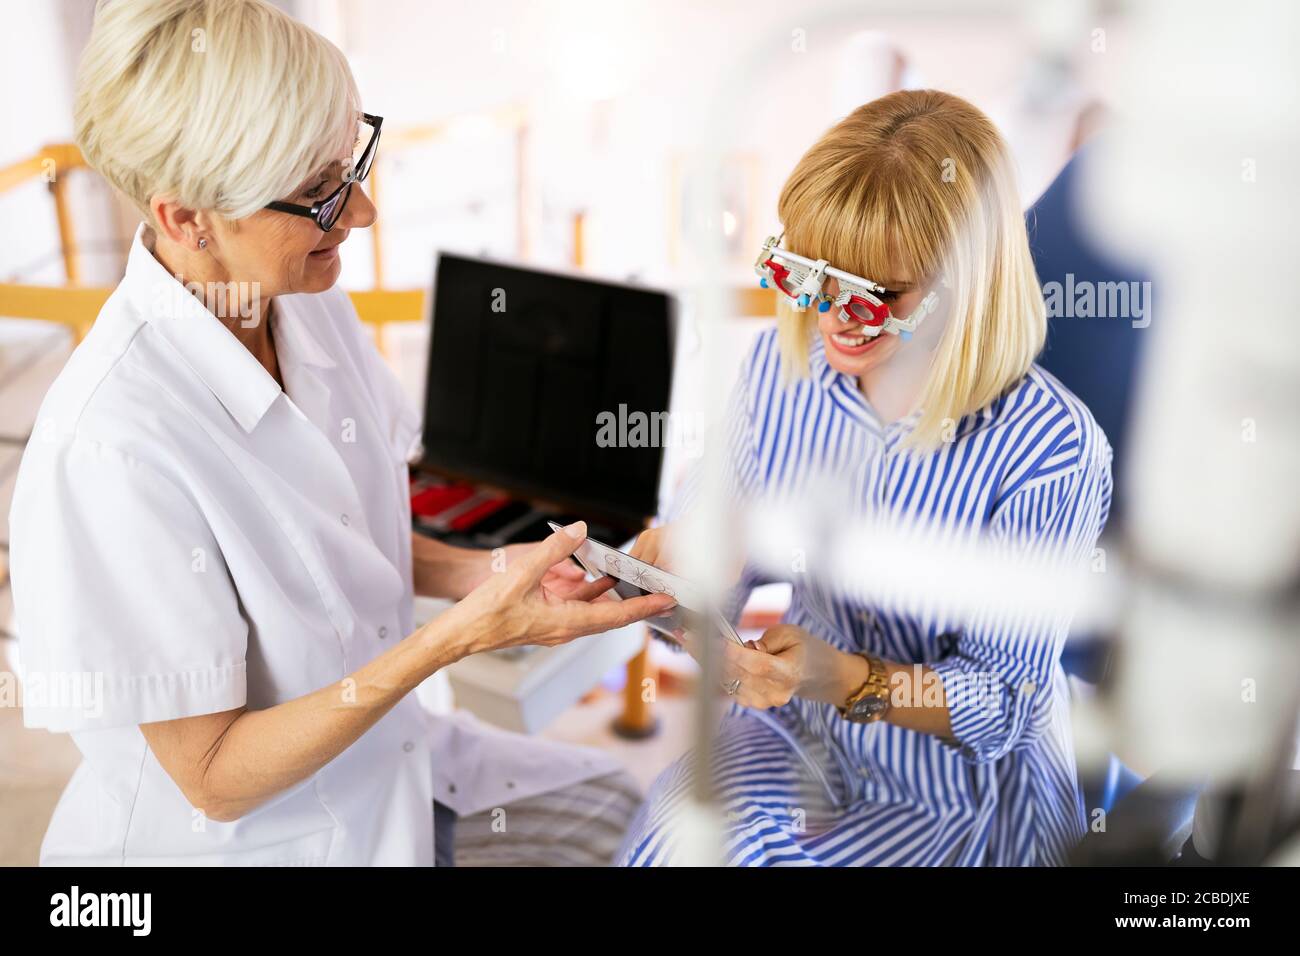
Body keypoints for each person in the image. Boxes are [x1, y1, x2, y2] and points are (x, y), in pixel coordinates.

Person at [9, 0, 672, 866]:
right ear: (186, 219)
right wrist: (458, 636)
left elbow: (345, 536)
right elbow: (213, 776)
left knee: (626, 812)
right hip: (253, 839)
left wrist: (498, 572)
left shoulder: (302, 301)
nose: (361, 212)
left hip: (390, 772)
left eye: (351, 164)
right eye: (320, 194)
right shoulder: (109, 446)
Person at [619, 89, 1114, 866]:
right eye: (811, 276)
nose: (833, 317)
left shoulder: (1051, 451)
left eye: (878, 294)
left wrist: (843, 678)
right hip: (800, 733)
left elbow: (998, 709)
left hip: (961, 789)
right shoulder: (781, 372)